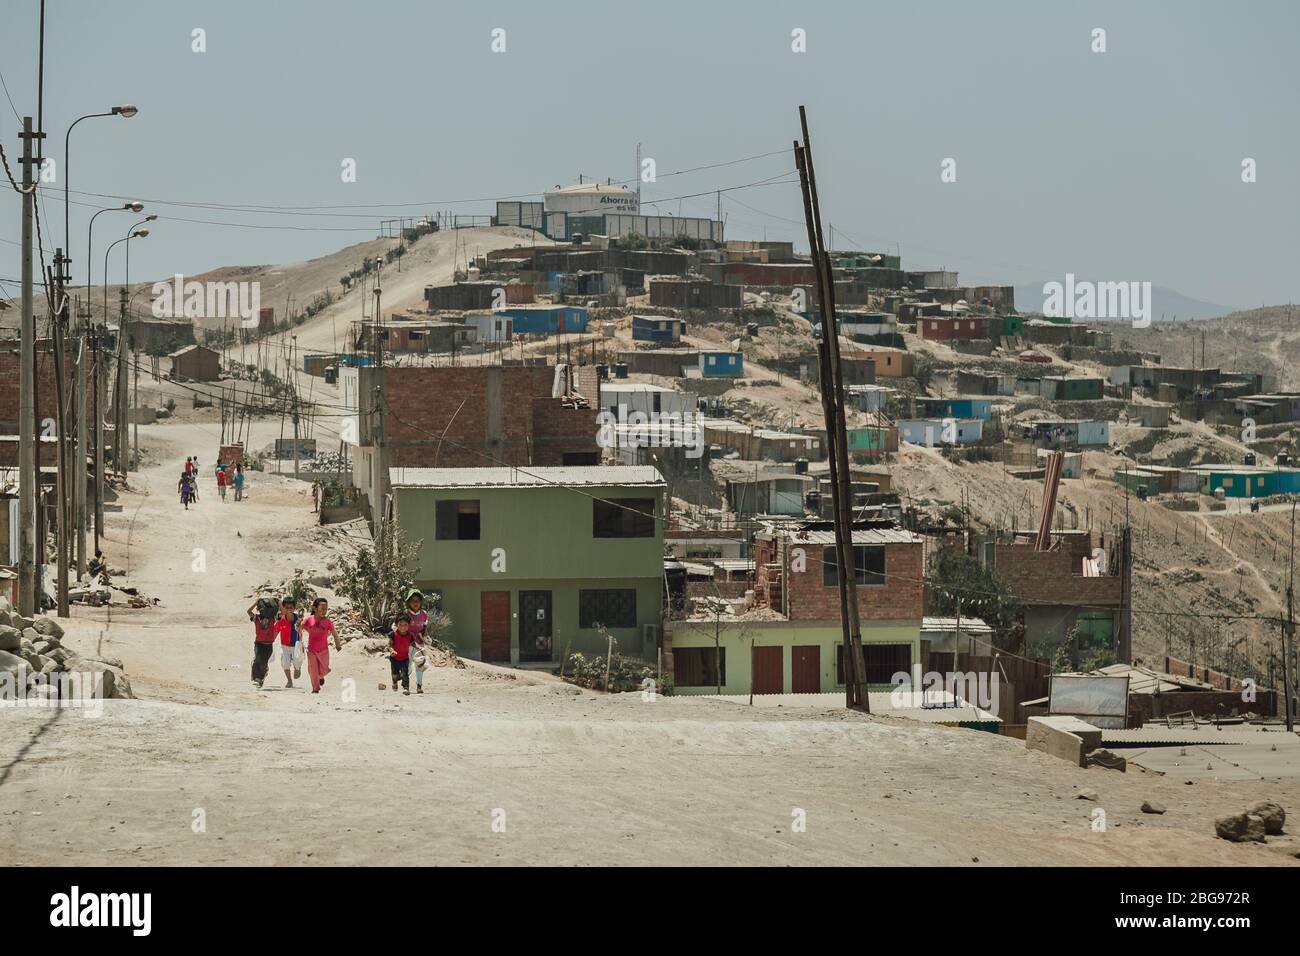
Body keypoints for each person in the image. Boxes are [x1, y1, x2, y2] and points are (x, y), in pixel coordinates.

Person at [301, 597, 337, 694]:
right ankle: (315, 688)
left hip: (323, 650)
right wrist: (298, 626)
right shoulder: (309, 619)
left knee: (324, 670)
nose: (324, 611)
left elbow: (334, 633)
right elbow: (300, 627)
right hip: (311, 649)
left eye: (326, 609)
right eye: (322, 609)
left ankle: (320, 676)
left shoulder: (328, 621)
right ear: (315, 608)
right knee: (313, 670)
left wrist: (338, 644)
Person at [247, 599, 278, 689]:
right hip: (259, 644)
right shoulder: (256, 618)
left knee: (263, 663)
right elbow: (248, 611)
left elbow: (283, 613)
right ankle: (256, 679)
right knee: (257, 660)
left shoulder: (273, 618)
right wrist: (256, 602)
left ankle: (260, 679)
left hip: (269, 645)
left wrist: (278, 601)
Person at [403, 588, 429, 694]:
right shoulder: (405, 614)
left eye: (417, 600)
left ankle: (419, 686)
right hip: (407, 644)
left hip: (419, 644)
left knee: (420, 665)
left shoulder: (424, 614)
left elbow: (423, 629)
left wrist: (425, 638)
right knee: (407, 666)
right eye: (412, 600)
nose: (415, 603)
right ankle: (406, 687)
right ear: (408, 602)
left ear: (421, 602)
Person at [274, 596, 302, 688]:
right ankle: (289, 681)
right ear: (283, 608)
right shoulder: (281, 620)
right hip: (284, 645)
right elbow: (276, 631)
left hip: (296, 645)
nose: (289, 609)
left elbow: (301, 629)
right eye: (286, 607)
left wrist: (299, 624)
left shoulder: (298, 618)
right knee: (285, 663)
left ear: (294, 608)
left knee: (297, 662)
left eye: (291, 608)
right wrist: (270, 641)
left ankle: (297, 668)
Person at [388, 611, 414, 695]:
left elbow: (413, 643)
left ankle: (406, 688)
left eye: (405, 625)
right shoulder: (393, 634)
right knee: (395, 675)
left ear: (409, 625)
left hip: (404, 658)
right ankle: (395, 682)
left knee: (405, 673)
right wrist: (391, 650)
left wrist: (419, 647)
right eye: (400, 625)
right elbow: (389, 645)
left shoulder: (410, 636)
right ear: (396, 625)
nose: (403, 627)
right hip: (394, 658)